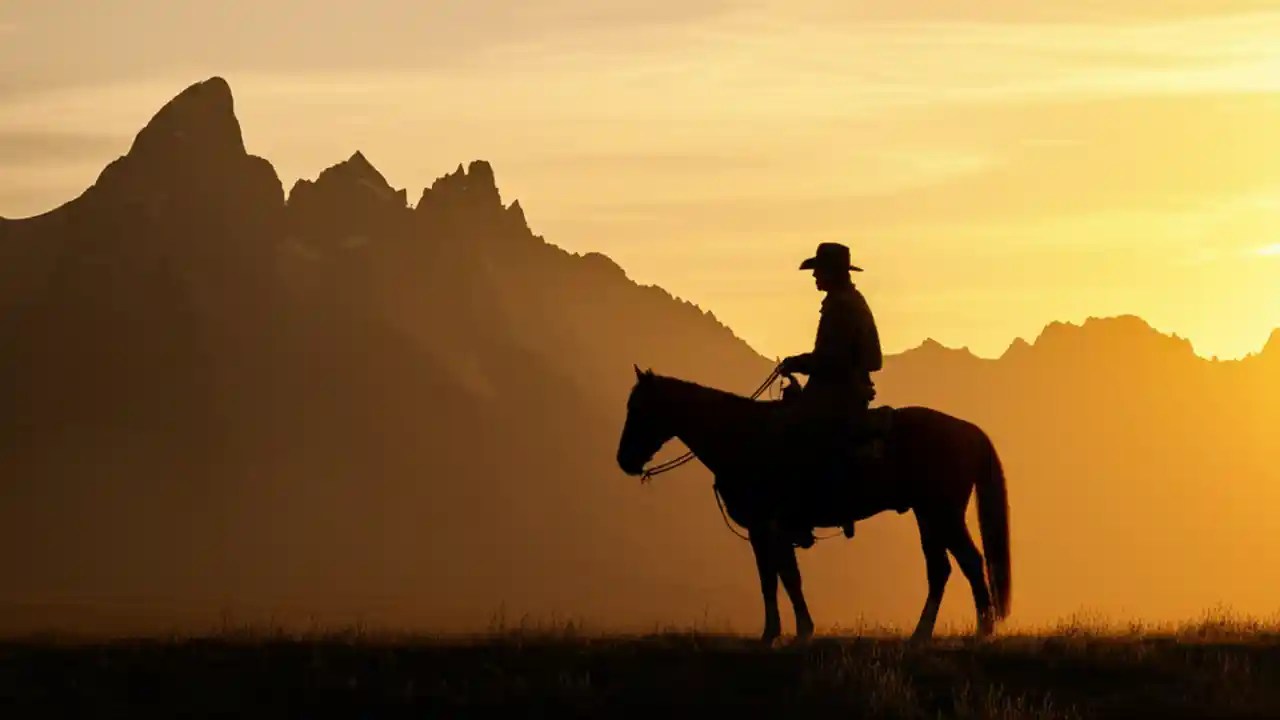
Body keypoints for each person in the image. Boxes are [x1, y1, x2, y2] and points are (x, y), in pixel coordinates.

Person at [774, 242, 883, 547]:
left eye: (818, 271)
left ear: (832, 273)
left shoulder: (842, 307)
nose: (814, 277)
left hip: (840, 395)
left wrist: (798, 363)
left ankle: (803, 515)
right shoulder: (848, 301)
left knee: (795, 435)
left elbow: (830, 359)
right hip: (844, 389)